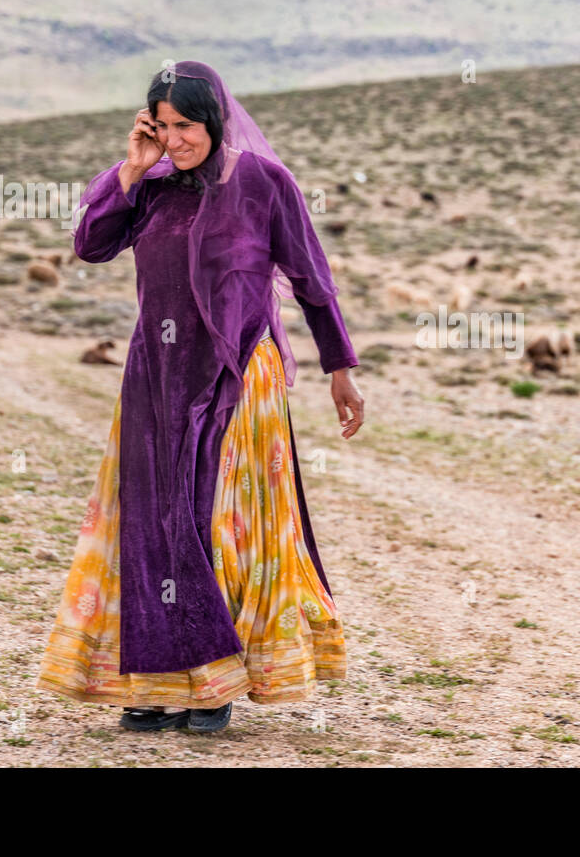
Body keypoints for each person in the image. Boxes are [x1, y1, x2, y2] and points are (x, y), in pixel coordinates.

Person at [34, 61, 364, 733]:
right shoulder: (150, 187)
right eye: (163, 127)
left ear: (213, 119)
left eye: (186, 126)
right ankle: (157, 680)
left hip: (238, 376)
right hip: (155, 377)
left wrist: (340, 368)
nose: (176, 139)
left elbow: (313, 281)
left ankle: (212, 681)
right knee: (152, 524)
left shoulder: (264, 184)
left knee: (214, 524)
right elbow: (90, 245)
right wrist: (129, 169)